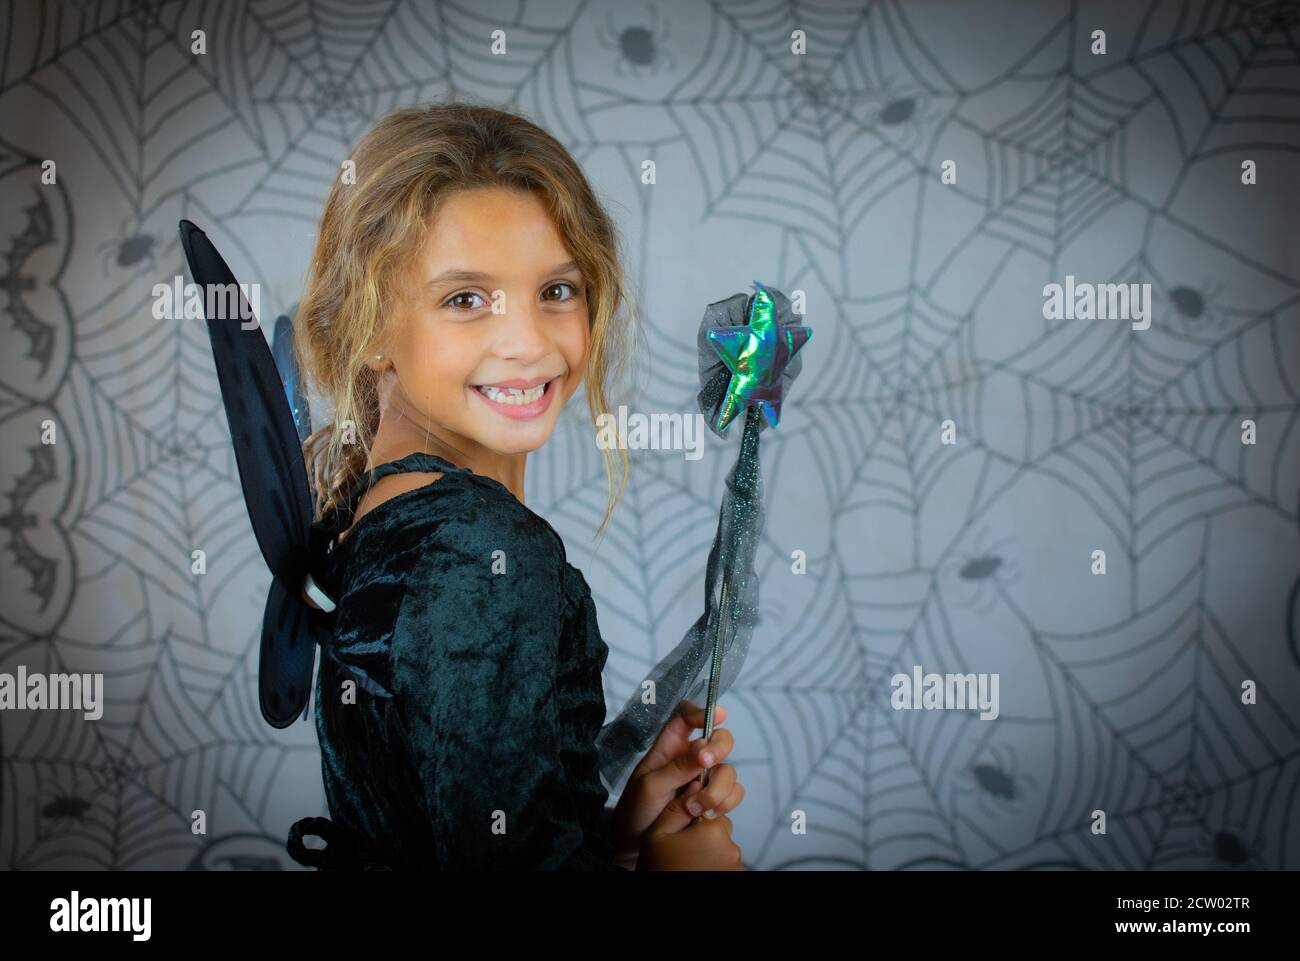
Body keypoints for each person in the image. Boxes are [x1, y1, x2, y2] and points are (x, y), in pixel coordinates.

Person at [284, 102, 745, 870]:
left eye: (557, 291)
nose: (528, 340)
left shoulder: (374, 513)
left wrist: (610, 832)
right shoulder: (483, 553)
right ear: (369, 329)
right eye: (465, 299)